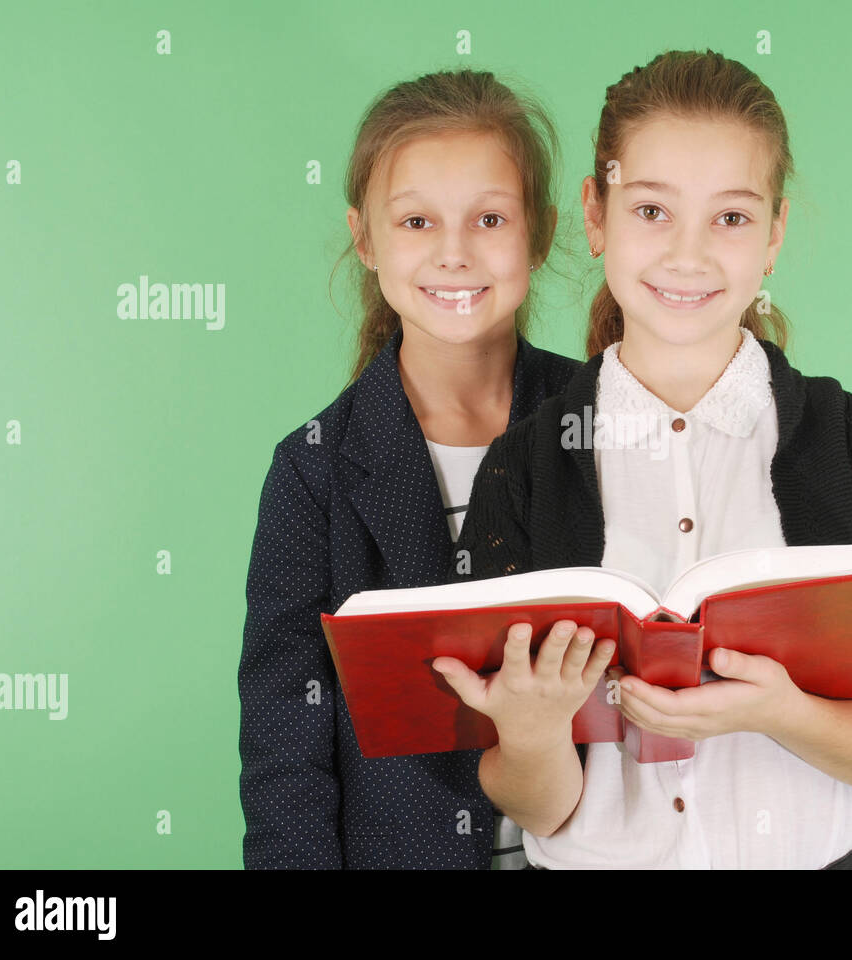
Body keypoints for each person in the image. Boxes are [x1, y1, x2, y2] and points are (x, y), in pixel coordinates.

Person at [434, 50, 852, 869]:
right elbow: (529, 799)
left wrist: (778, 710)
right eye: (651, 210)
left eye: (730, 217)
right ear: (596, 214)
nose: (688, 255)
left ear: (775, 234)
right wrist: (534, 733)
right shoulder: (527, 468)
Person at [238, 69, 580, 869]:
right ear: (365, 239)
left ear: (539, 232)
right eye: (418, 221)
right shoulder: (311, 473)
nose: (454, 253)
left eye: (490, 218)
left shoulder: (606, 420)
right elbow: (286, 750)